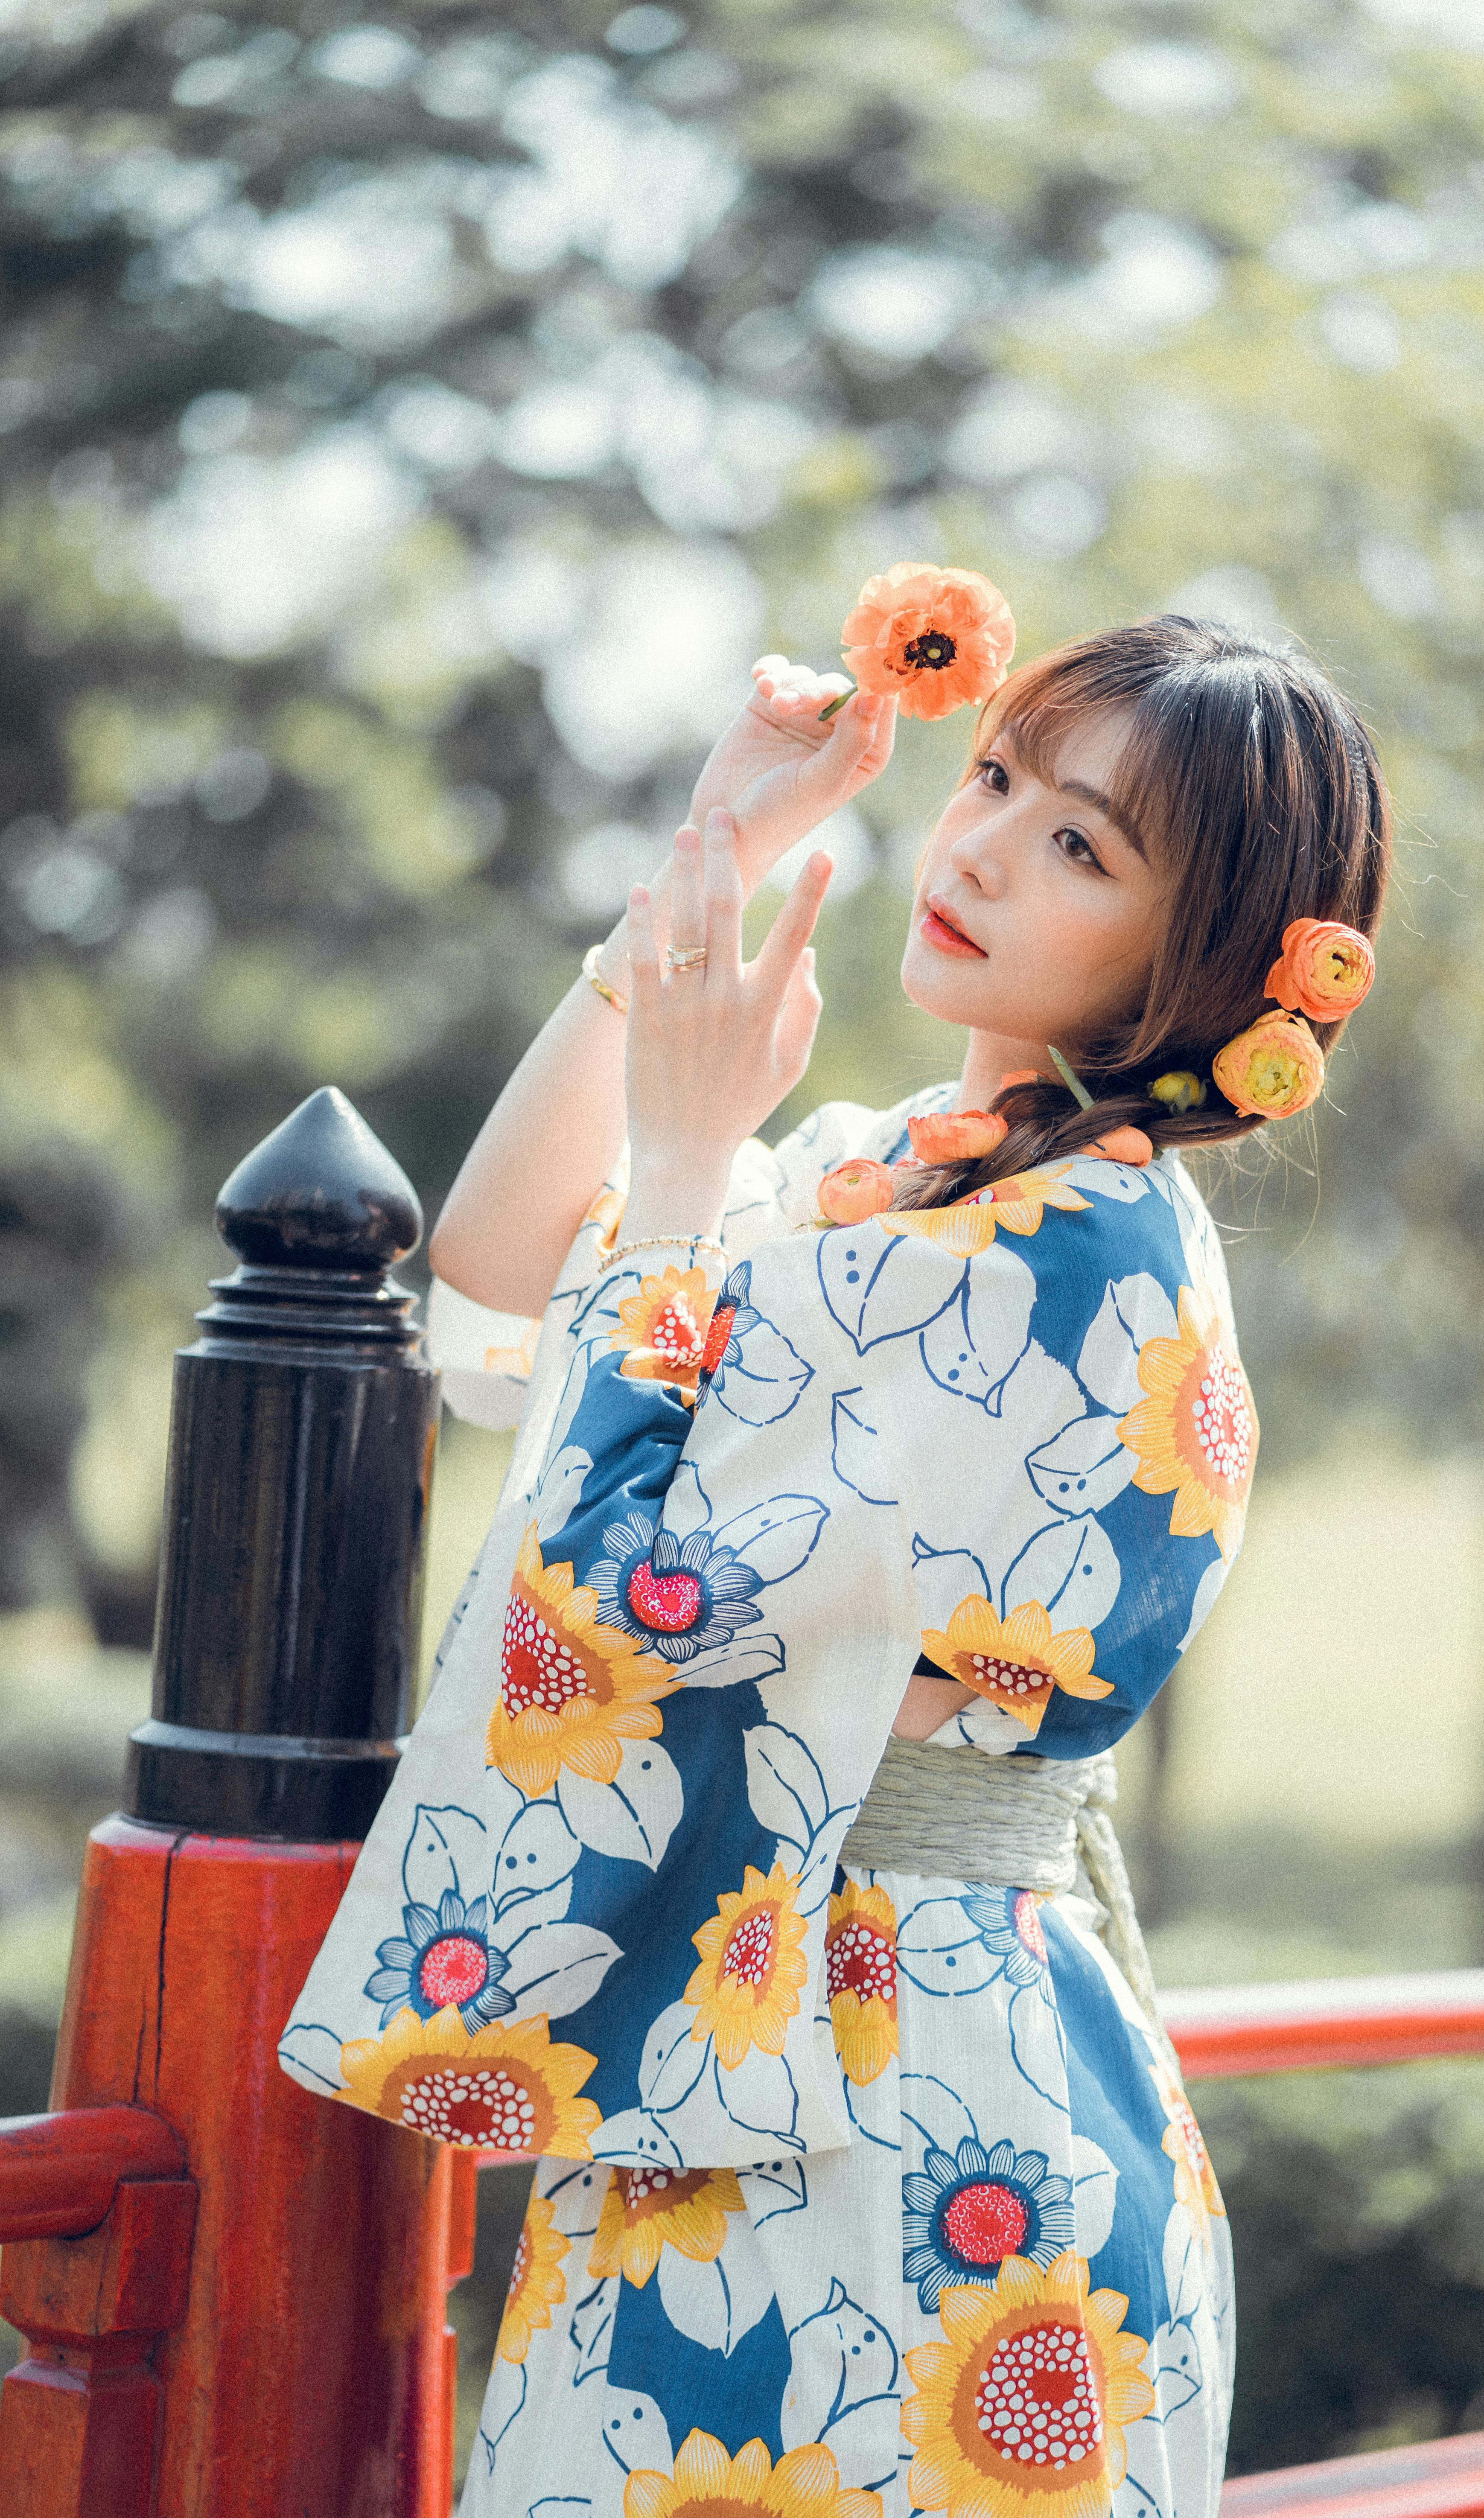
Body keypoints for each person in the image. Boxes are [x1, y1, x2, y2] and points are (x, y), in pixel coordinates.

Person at [280, 613, 1391, 2518]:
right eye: (994, 780)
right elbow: (499, 1267)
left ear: (1201, 958)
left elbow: (638, 1594)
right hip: (786, 2041)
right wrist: (699, 872)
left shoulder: (1081, 1254)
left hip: (898, 2091)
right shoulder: (903, 1175)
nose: (976, 849)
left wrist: (695, 1155)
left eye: (1082, 847)